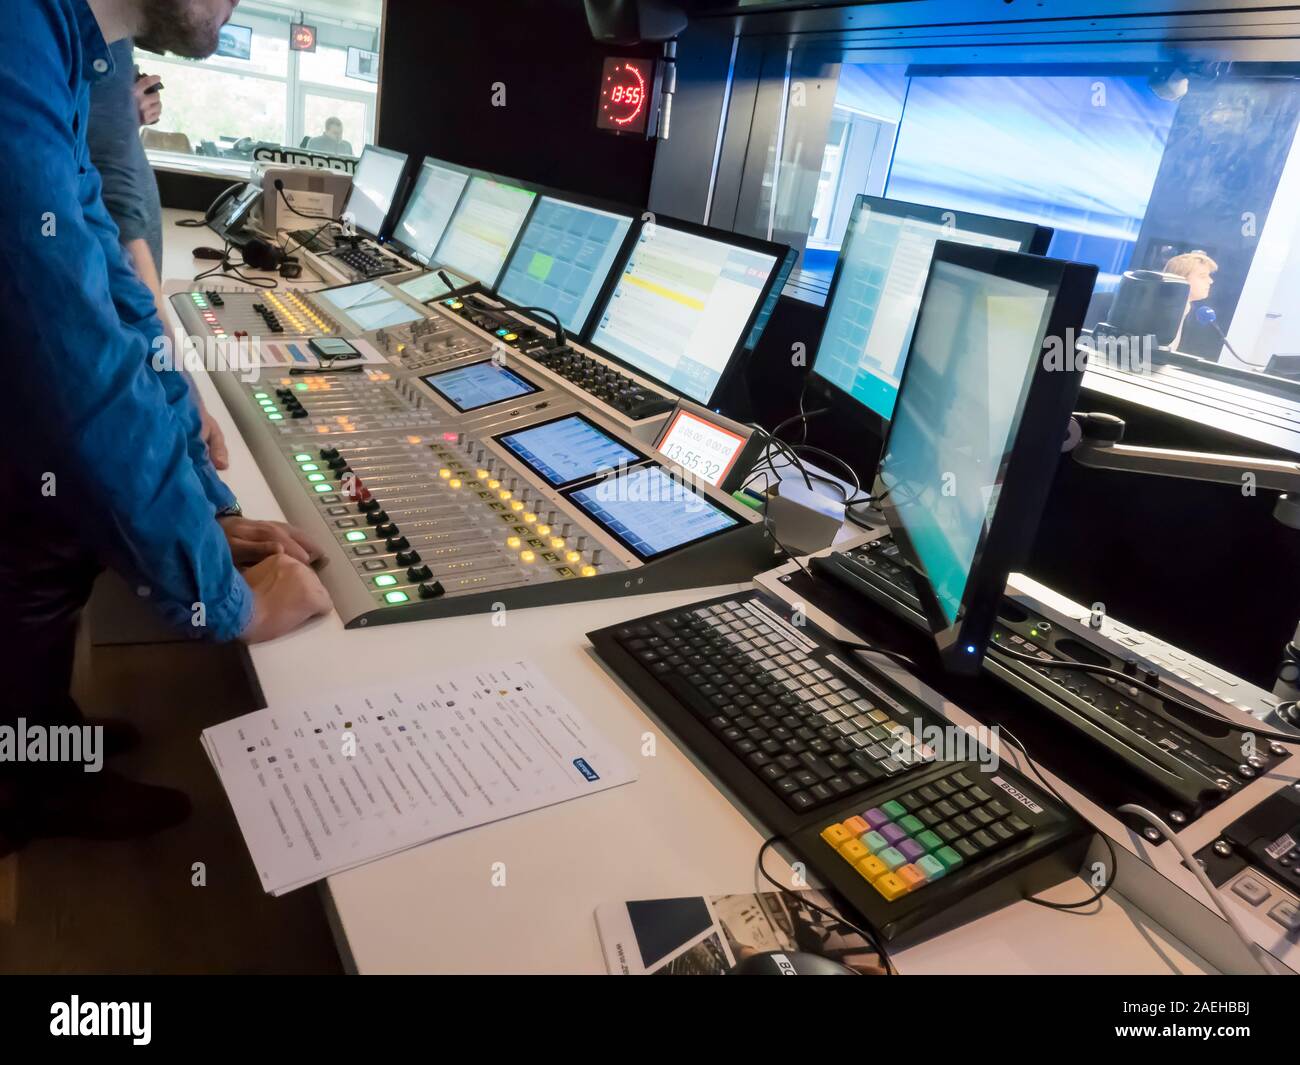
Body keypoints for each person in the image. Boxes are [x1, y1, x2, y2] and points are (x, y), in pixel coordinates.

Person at [0, 0, 332, 852]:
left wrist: (208, 501)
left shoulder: (59, 39)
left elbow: (110, 279)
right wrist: (224, 606)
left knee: (49, 548)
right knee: (38, 534)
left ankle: (40, 747)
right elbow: (71, 356)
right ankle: (21, 794)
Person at [87, 35, 229, 468]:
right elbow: (126, 244)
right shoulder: (102, 48)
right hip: (122, 345)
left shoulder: (107, 49)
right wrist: (185, 397)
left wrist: (125, 122)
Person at [1164, 250, 1218, 353]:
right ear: (1180, 278)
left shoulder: (1184, 308)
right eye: (1203, 276)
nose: (1210, 281)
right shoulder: (1164, 312)